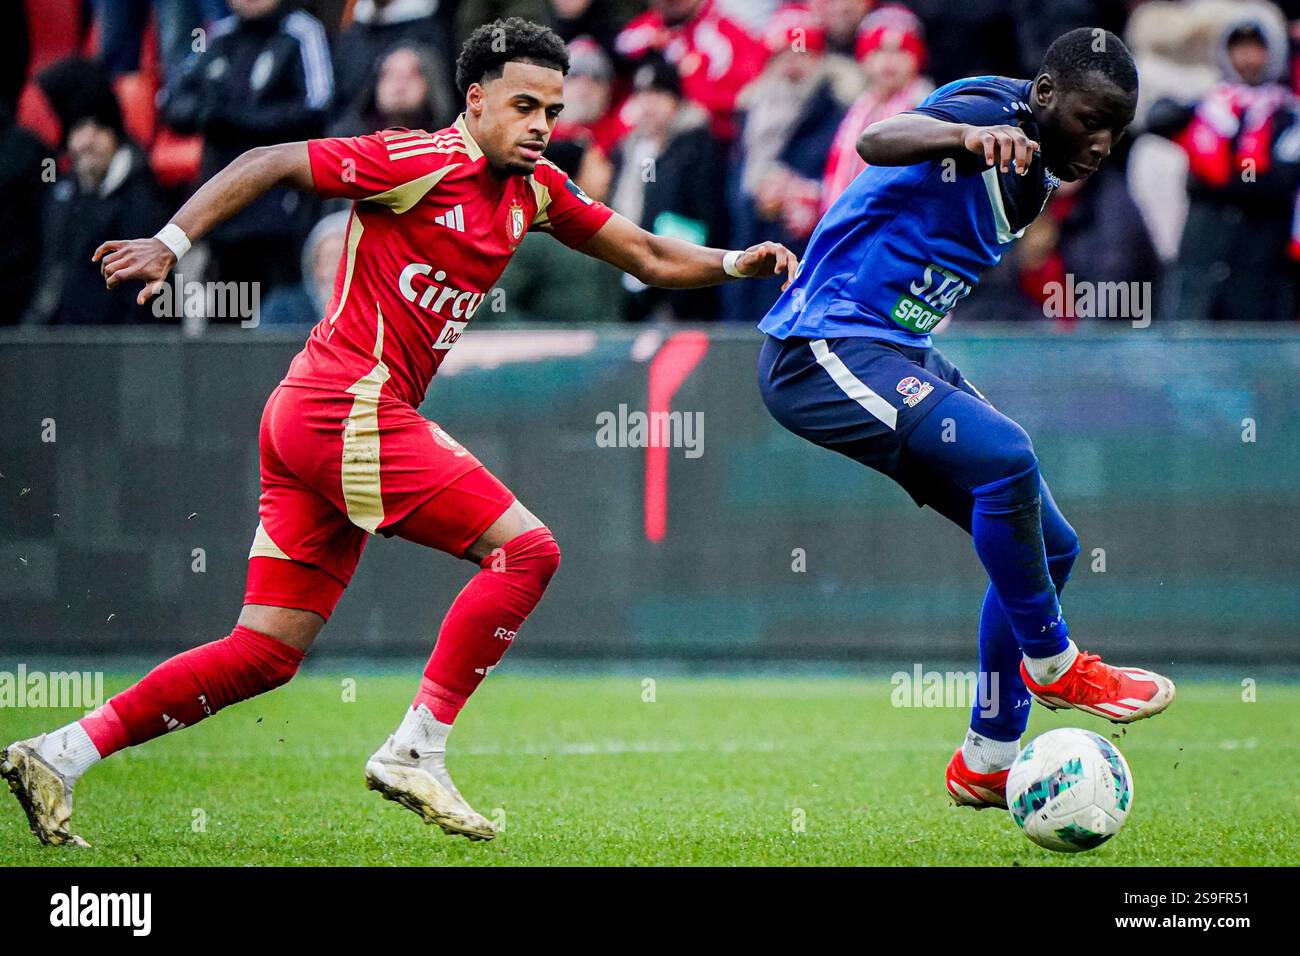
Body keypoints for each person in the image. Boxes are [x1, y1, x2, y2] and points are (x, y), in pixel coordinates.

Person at [2, 17, 797, 848]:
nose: (540, 126)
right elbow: (268, 162)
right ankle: (417, 747)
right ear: (476, 98)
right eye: (524, 105)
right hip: (343, 405)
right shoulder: (416, 161)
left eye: (553, 112)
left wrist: (733, 262)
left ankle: (59, 753)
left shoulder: (534, 189)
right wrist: (171, 242)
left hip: (315, 413)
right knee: (528, 552)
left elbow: (645, 254)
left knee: (266, 652)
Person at [754, 28, 1176, 819]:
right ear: (1046, 96)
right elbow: (880, 139)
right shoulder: (989, 108)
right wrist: (962, 134)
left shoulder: (1043, 164)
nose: (1101, 141)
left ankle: (987, 759)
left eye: (1115, 128)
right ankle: (1055, 666)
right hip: (823, 343)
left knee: (1051, 547)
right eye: (1091, 118)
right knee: (1007, 458)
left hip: (896, 349)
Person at [159, 0, 334, 299]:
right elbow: (170, 101)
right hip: (221, 211)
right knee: (226, 325)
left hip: (280, 214)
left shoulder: (301, 32)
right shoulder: (218, 36)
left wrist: (237, 121)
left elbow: (317, 107)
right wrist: (206, 116)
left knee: (278, 321)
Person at [1148, 17, 1300, 322]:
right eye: (1239, 49)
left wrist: (1219, 175)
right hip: (1201, 271)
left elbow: (1278, 181)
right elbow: (1157, 119)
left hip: (1260, 278)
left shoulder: (1287, 116)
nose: (1247, 59)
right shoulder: (1210, 108)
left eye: (1257, 50)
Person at [26, 59, 167, 326]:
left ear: (115, 134)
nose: (87, 142)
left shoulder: (144, 202)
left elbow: (144, 302)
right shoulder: (61, 199)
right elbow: (50, 280)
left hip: (120, 356)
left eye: (99, 129)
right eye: (78, 129)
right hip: (62, 351)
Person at [608, 55, 730, 321]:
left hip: (678, 288)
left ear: (675, 100)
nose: (649, 104)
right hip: (627, 278)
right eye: (642, 94)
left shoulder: (698, 147)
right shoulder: (628, 149)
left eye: (658, 94)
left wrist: (669, 276)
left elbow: (705, 220)